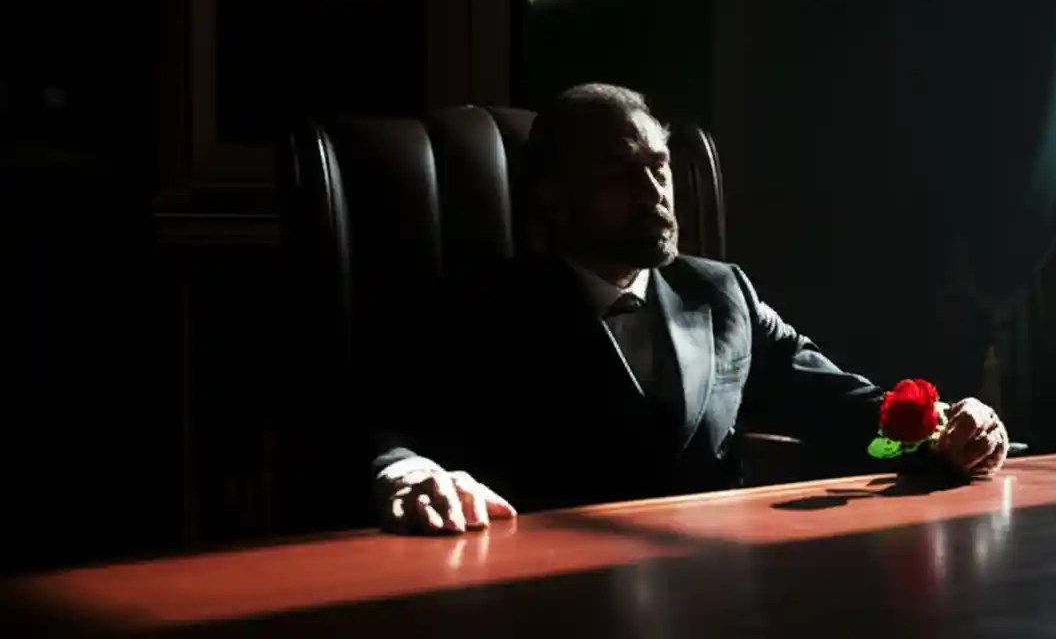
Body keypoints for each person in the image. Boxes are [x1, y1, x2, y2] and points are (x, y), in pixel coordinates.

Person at [370, 83, 1009, 535]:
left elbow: (850, 416)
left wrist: (941, 434)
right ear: (555, 201)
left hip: (714, 587)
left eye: (659, 166)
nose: (655, 195)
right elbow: (381, 425)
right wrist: (406, 473)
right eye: (620, 175)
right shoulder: (481, 306)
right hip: (544, 593)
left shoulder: (722, 293)